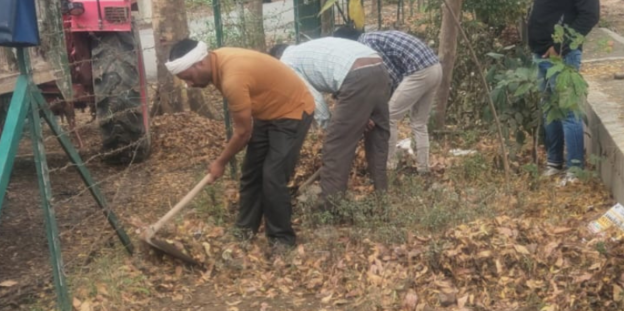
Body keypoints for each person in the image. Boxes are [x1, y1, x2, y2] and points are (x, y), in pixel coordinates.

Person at [166, 40, 315, 249]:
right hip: (267, 112)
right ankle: (244, 233)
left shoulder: (232, 78)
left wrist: (220, 162)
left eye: (187, 78)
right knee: (251, 172)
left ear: (199, 63)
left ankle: (282, 241)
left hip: (294, 110)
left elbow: (243, 133)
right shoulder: (217, 61)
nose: (189, 85)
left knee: (273, 176)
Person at [521, 0, 600, 182]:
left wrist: (561, 47)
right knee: (549, 110)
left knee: (568, 111)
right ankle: (554, 162)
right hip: (540, 52)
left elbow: (589, 15)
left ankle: (575, 169)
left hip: (562, 56)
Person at [269, 38, 391, 207]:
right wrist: (358, 117)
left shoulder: (285, 64)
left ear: (276, 58)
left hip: (354, 75)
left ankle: (331, 205)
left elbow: (314, 100)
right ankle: (382, 199)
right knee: (378, 136)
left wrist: (331, 127)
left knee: (336, 145)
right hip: (378, 67)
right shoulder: (304, 51)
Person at [333, 26, 441, 174]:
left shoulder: (366, 46)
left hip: (419, 71)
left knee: (389, 117)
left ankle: (389, 165)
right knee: (419, 123)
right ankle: (424, 169)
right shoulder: (373, 37)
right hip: (435, 68)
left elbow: (388, 76)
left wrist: (376, 107)